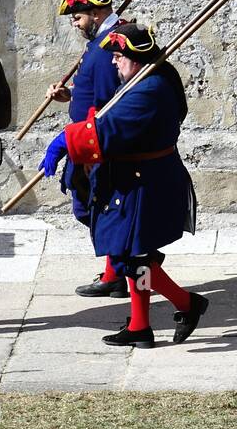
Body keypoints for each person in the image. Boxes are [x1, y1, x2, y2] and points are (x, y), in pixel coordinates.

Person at [39, 23, 207, 348]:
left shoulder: (150, 88)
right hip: (138, 178)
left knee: (137, 258)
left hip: (147, 184)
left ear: (137, 58)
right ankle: (143, 325)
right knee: (135, 256)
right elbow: (105, 114)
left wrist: (63, 142)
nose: (114, 62)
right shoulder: (140, 82)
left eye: (119, 56)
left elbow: (106, 129)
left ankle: (186, 304)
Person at [47, 0, 128, 299]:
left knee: (97, 208)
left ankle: (120, 272)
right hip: (85, 141)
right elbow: (94, 93)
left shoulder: (113, 44)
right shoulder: (101, 41)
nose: (74, 22)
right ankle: (115, 271)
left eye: (77, 16)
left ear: (95, 13)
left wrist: (73, 138)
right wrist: (71, 95)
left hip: (97, 144)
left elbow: (109, 100)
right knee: (92, 208)